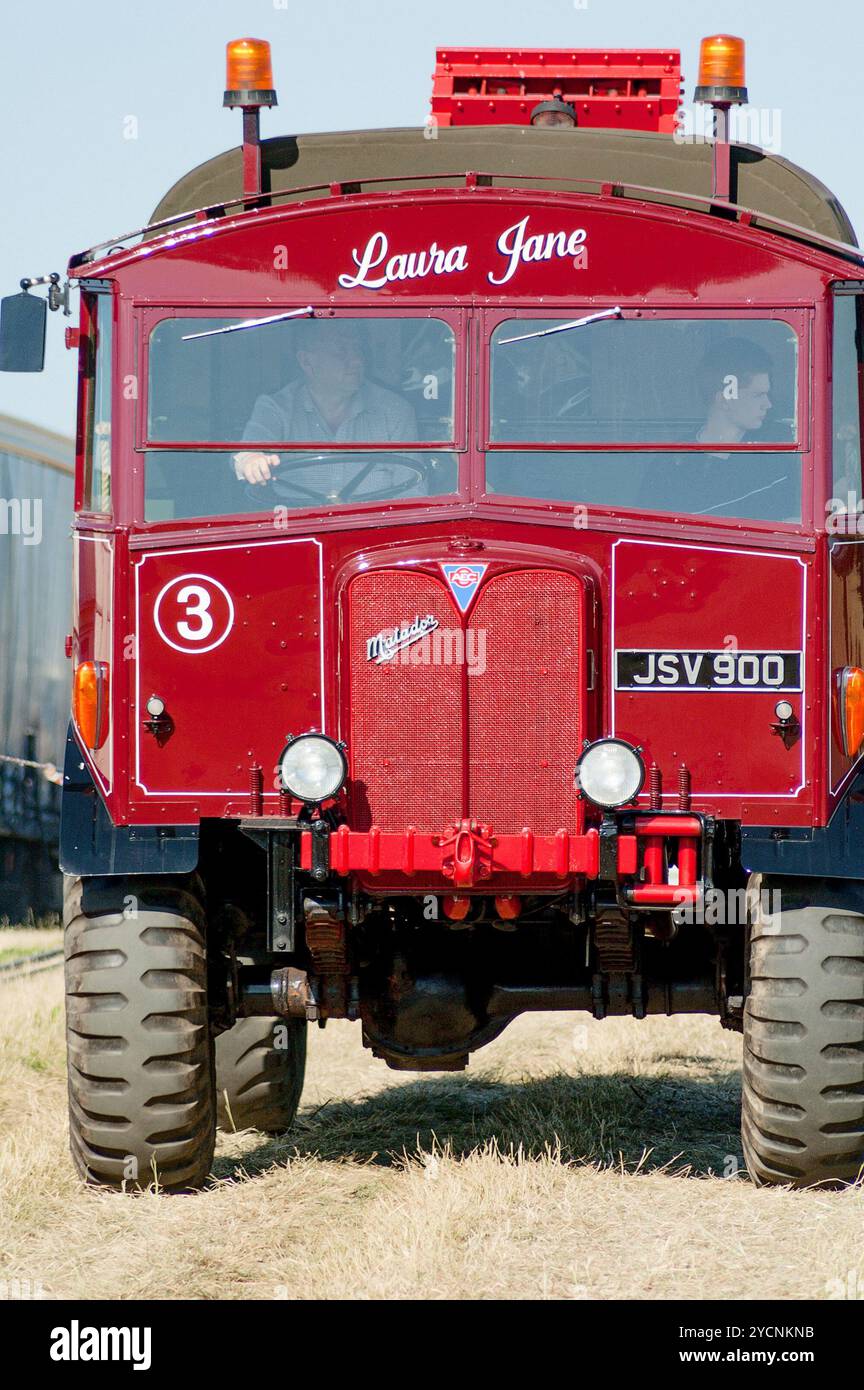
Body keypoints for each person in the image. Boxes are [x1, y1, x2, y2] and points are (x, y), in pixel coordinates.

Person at [233, 320, 417, 490]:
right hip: (299, 524)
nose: (357, 360)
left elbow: (411, 492)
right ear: (307, 362)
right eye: (341, 351)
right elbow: (246, 455)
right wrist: (252, 459)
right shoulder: (276, 408)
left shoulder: (395, 411)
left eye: (357, 349)